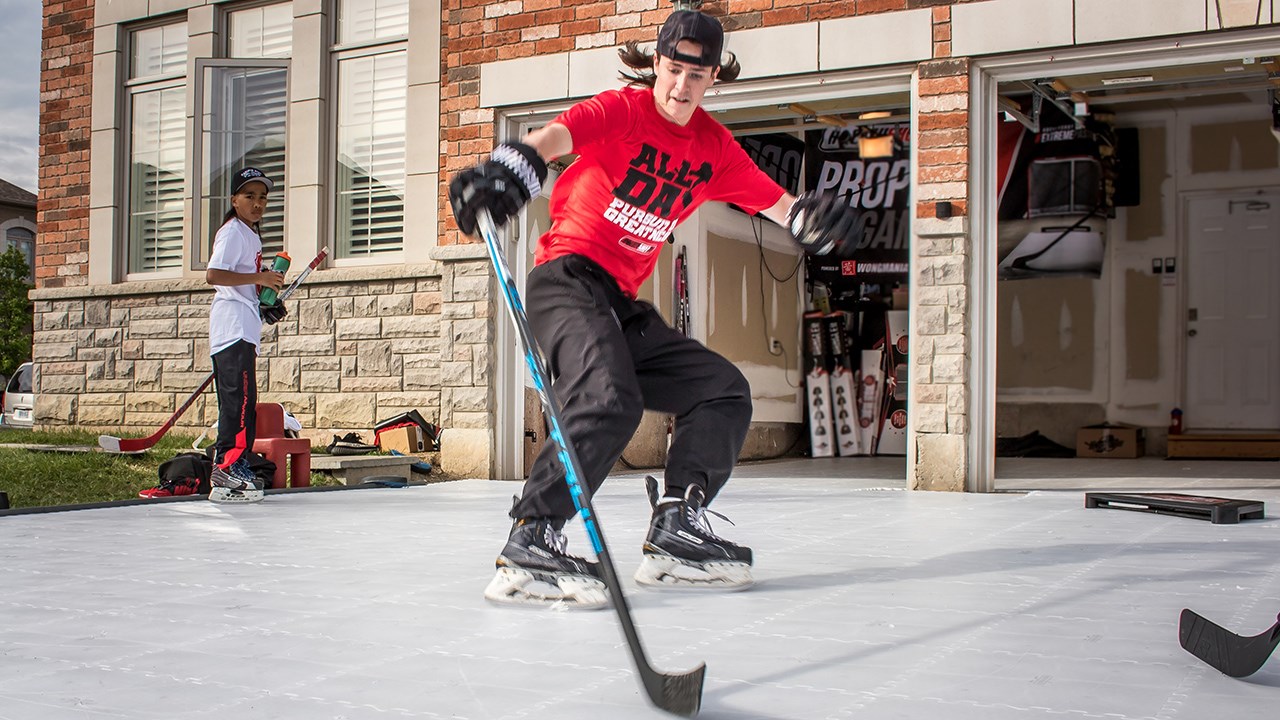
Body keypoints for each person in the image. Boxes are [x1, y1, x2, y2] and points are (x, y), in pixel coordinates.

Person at [449, 10, 861, 608]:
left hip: (619, 301)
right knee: (608, 396)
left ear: (713, 76)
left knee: (722, 390)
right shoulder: (623, 110)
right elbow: (554, 137)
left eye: (696, 74)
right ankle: (531, 537)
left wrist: (813, 220)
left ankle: (677, 526)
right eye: (672, 70)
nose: (680, 86)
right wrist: (509, 170)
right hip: (564, 279)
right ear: (657, 66)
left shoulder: (713, 147)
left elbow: (780, 206)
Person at [204, 167, 289, 503]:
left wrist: (264, 301)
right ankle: (225, 468)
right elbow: (214, 274)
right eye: (249, 196)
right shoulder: (233, 232)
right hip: (231, 329)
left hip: (245, 326)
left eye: (263, 198)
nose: (257, 203)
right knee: (236, 405)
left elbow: (244, 282)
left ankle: (236, 465)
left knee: (244, 403)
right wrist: (260, 279)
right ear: (234, 200)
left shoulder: (251, 235)